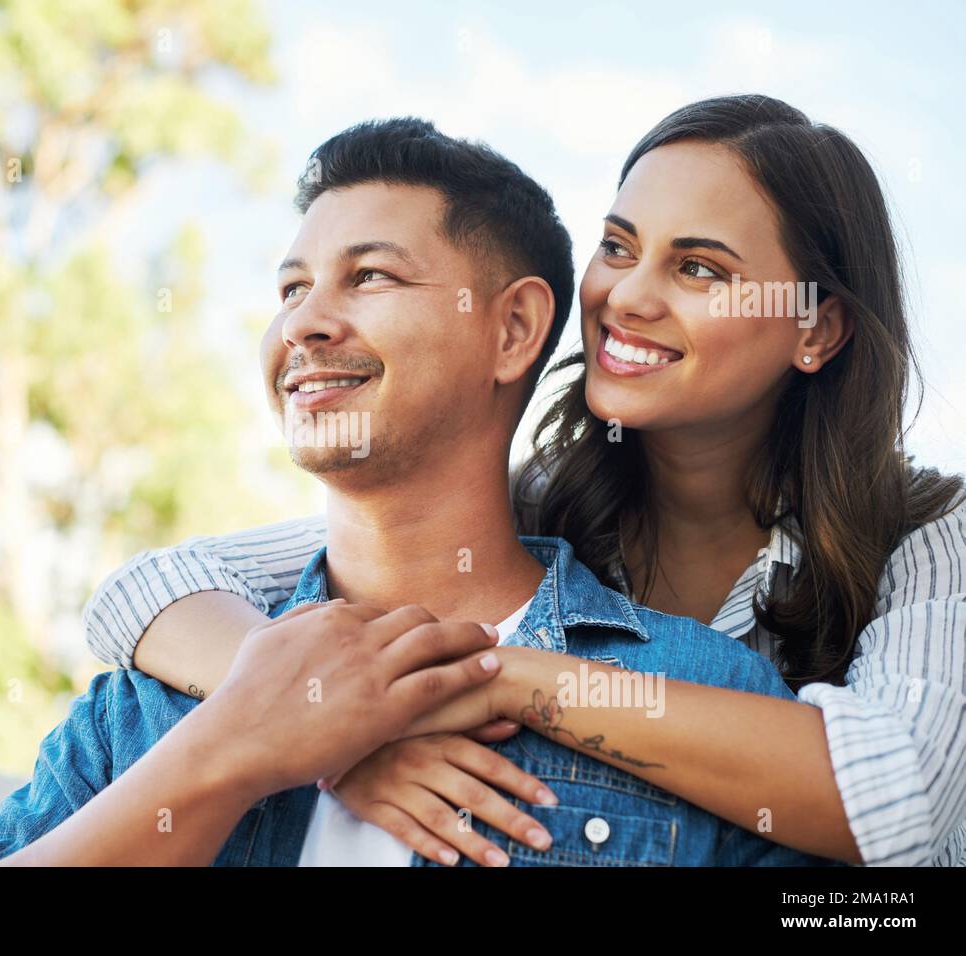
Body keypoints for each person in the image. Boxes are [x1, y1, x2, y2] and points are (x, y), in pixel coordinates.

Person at [84, 96, 966, 867]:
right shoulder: (533, 504)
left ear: (816, 327)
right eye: (619, 248)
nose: (628, 297)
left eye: (698, 269)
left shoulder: (929, 535)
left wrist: (496, 679)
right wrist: (328, 728)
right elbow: (150, 589)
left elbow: (903, 797)